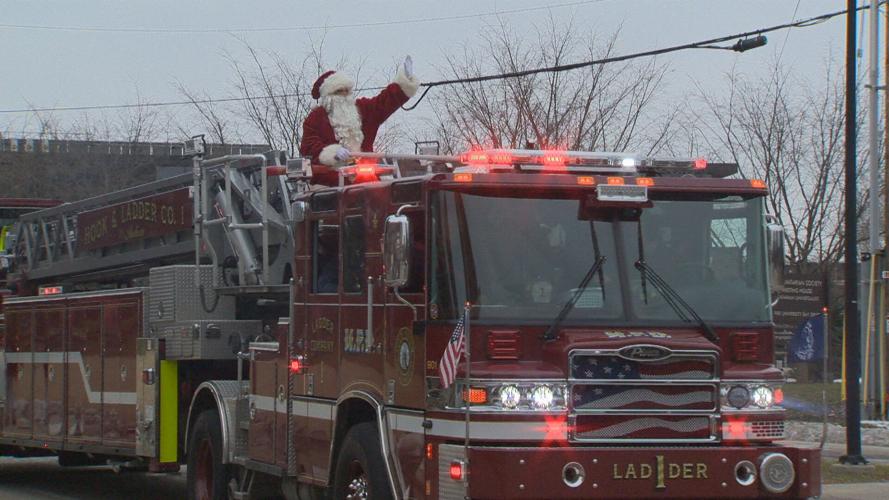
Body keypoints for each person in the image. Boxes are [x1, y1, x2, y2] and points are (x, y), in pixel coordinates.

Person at [299, 56, 420, 167]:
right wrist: (332, 153)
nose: (345, 95)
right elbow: (309, 147)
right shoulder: (316, 118)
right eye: (339, 91)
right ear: (328, 95)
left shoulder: (362, 109)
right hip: (329, 180)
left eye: (348, 90)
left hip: (364, 176)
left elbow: (383, 103)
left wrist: (403, 83)